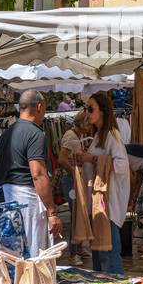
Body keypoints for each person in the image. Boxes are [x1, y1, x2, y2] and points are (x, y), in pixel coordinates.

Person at [0, 88, 61, 257]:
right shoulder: (35, 133)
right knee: (33, 255)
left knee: (11, 253)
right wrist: (52, 211)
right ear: (39, 107)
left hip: (4, 197)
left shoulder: (6, 133)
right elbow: (37, 173)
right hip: (25, 200)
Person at [71, 90, 130, 274]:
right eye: (85, 108)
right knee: (99, 257)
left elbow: (122, 165)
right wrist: (83, 160)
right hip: (100, 206)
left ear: (102, 111)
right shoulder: (98, 136)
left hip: (109, 207)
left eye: (90, 109)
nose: (87, 113)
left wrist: (92, 159)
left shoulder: (112, 135)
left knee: (109, 258)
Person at [56, 111, 90, 264]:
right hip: (71, 180)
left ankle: (79, 248)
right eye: (88, 123)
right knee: (76, 215)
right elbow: (62, 159)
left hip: (74, 179)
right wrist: (74, 174)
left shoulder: (77, 137)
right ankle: (73, 253)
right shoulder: (71, 136)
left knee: (80, 213)